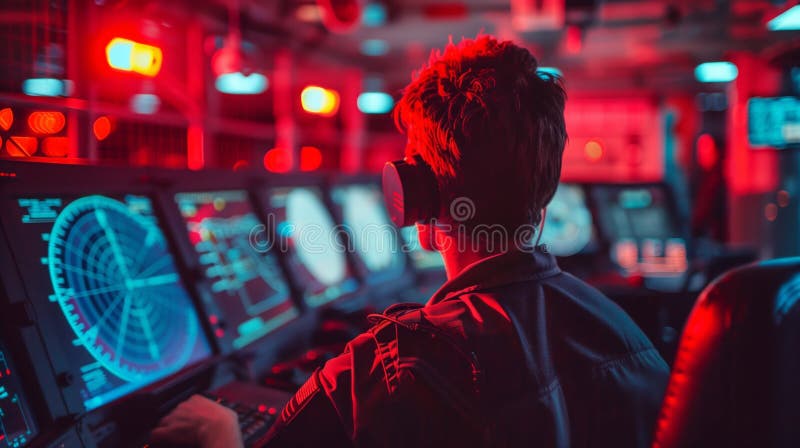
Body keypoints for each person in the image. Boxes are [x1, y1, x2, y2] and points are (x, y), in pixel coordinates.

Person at [152, 35, 670, 448]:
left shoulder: (383, 371)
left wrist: (219, 437)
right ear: (547, 185)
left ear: (411, 193)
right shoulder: (628, 338)